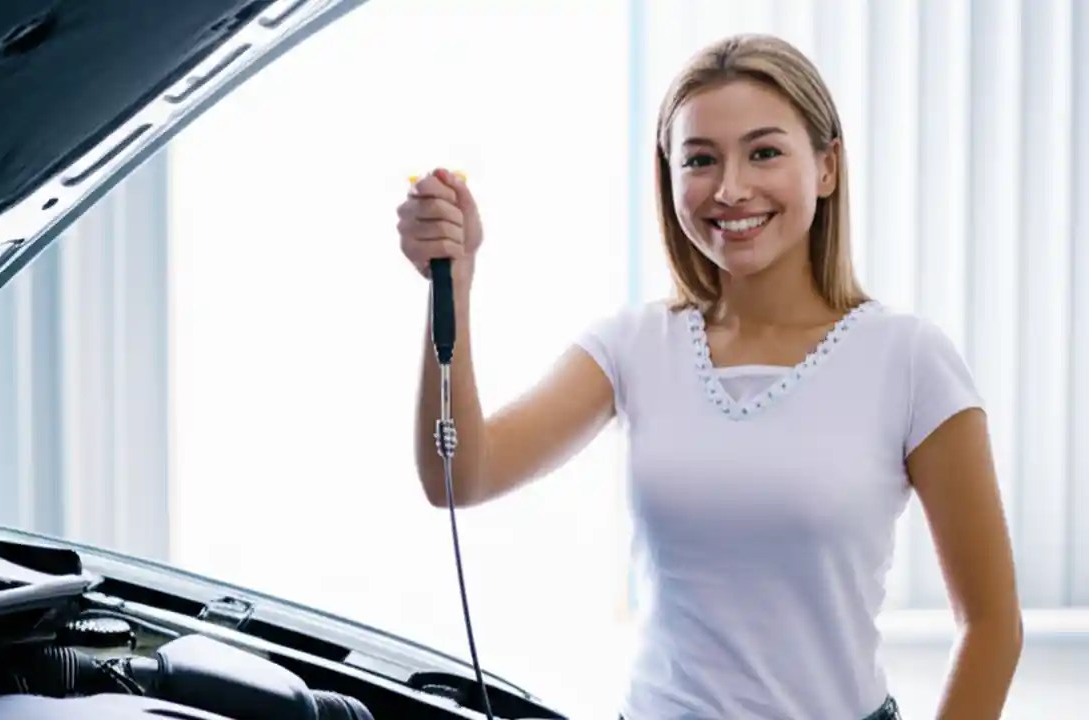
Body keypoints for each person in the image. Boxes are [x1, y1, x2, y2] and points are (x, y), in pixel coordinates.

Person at [395, 33, 1023, 720]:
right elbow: (460, 475)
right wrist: (451, 287)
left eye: (764, 152)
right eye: (700, 159)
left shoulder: (908, 358)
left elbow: (993, 626)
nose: (730, 189)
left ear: (827, 167)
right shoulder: (633, 344)